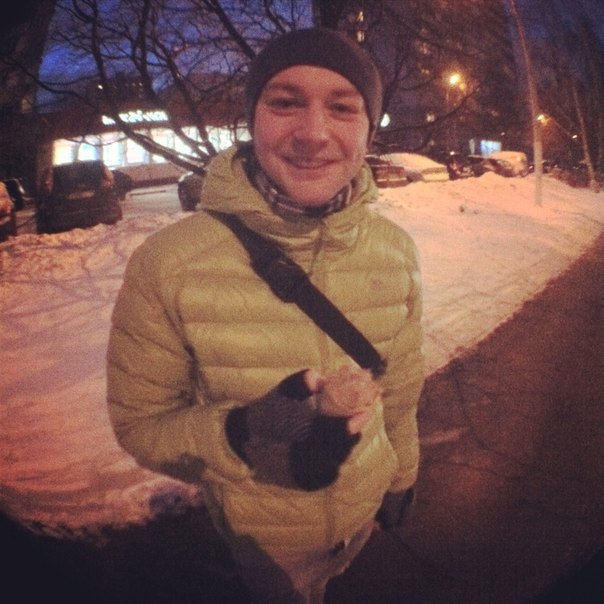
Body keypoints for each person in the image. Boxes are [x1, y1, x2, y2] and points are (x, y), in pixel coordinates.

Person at [107, 27, 424, 603]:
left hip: (364, 511)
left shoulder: (396, 251)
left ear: (368, 129)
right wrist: (239, 435)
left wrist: (400, 477)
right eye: (285, 102)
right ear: (252, 120)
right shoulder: (169, 265)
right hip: (265, 546)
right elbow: (142, 426)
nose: (313, 133)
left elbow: (399, 388)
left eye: (343, 108)